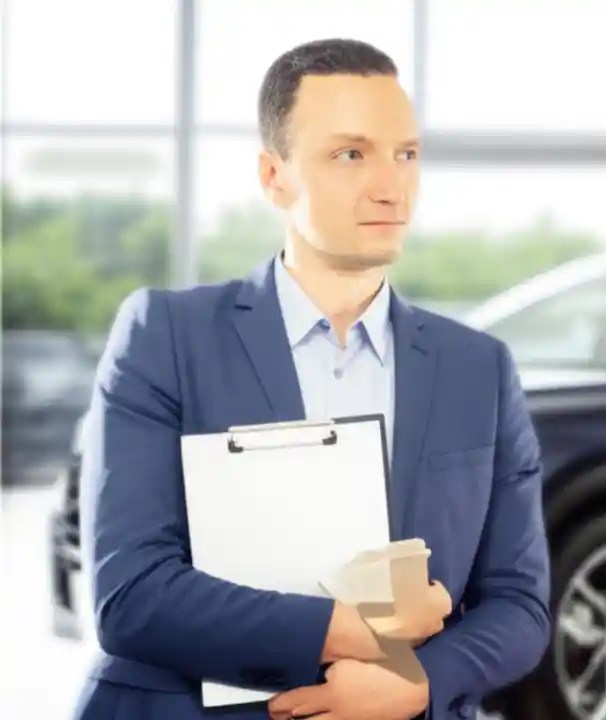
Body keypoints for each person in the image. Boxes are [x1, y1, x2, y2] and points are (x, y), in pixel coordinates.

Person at [73, 38, 551, 720]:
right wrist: (359, 633)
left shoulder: (480, 369)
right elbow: (131, 594)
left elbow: (520, 604)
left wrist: (417, 683)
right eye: (351, 154)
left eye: (406, 154)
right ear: (275, 177)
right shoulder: (166, 336)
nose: (392, 185)